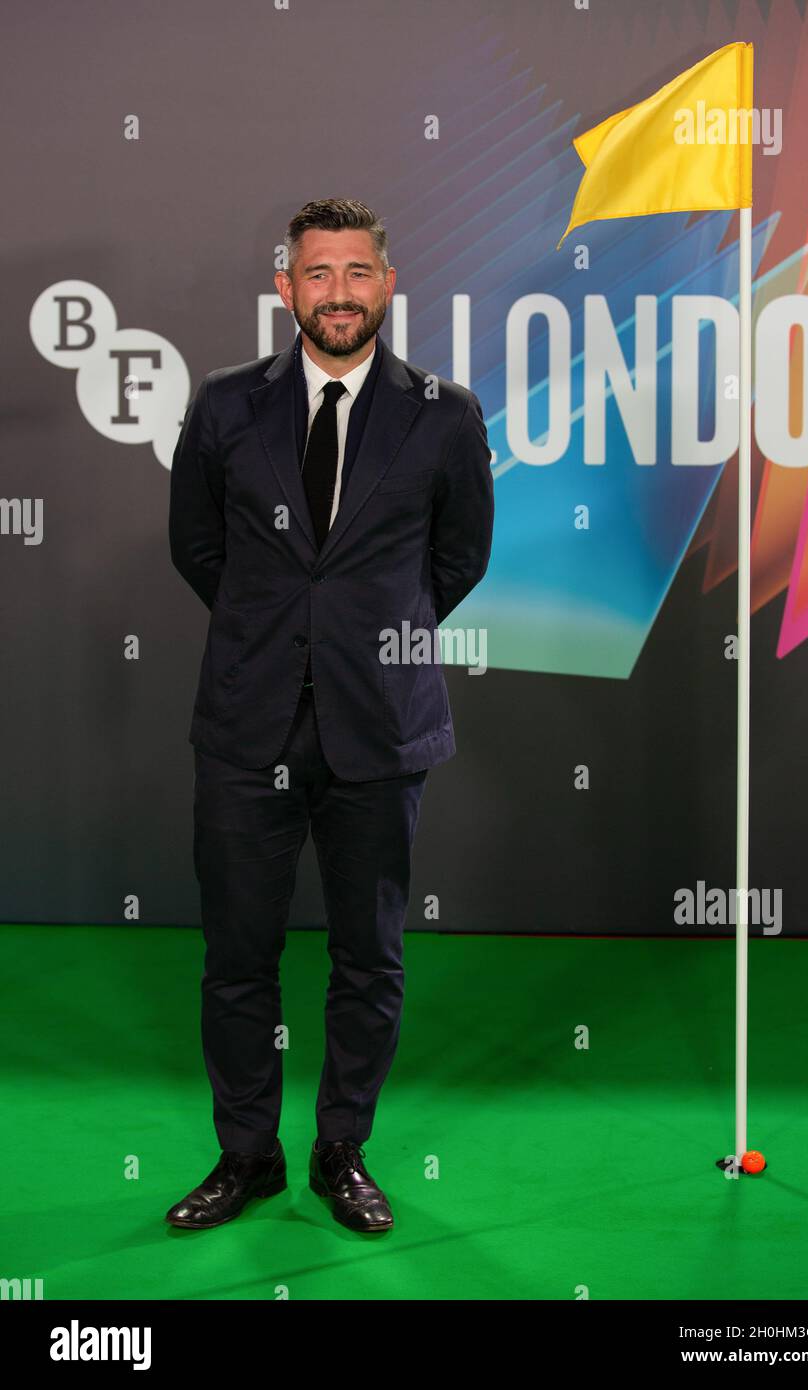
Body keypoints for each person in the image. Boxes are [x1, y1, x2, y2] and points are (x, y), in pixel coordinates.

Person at [165, 197, 494, 1233]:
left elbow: (457, 561)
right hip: (245, 726)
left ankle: (340, 1148)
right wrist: (282, 633)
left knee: (369, 957)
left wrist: (364, 635)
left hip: (380, 727)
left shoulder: (445, 412)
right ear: (285, 288)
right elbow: (198, 550)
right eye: (318, 273)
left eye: (357, 272)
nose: (338, 292)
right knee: (236, 957)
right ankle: (246, 1155)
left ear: (386, 285)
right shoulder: (224, 407)